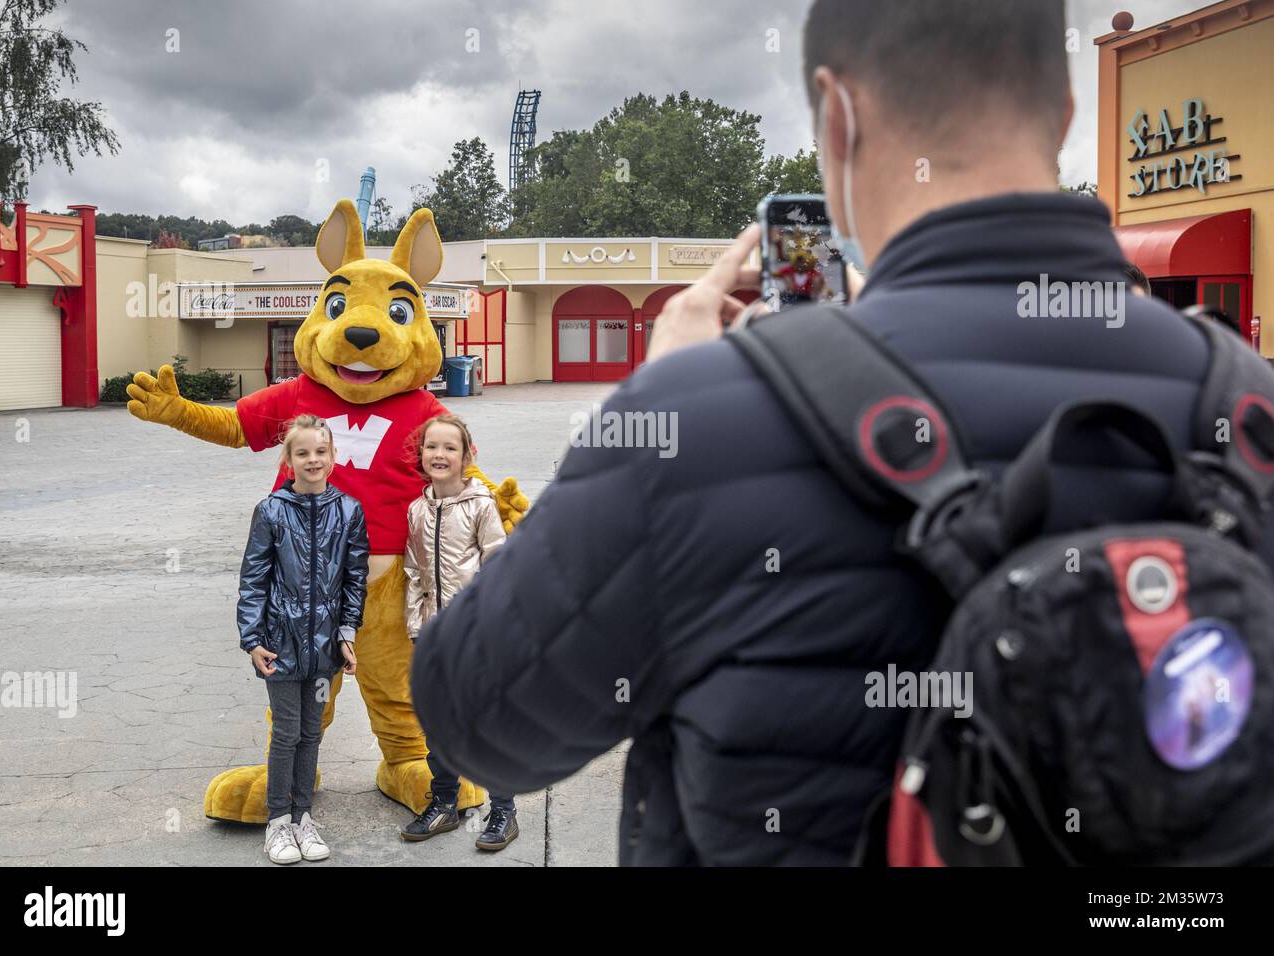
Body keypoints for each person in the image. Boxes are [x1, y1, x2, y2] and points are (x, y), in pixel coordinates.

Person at [412, 0, 1269, 865]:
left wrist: (652, 399)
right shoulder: (1247, 407)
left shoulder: (704, 417)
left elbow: (474, 723)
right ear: (1067, 111)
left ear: (837, 116)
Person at [238, 414, 367, 864]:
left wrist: (347, 632)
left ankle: (302, 818)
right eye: (303, 452)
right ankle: (278, 822)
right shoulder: (271, 511)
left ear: (333, 457)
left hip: (326, 646)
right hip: (280, 643)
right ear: (288, 459)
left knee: (312, 733)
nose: (313, 459)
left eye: (320, 451)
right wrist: (252, 639)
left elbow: (355, 579)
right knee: (286, 732)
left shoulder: (349, 510)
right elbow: (253, 579)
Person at [397, 414, 516, 851]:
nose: (440, 454)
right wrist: (417, 627)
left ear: (467, 456)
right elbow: (413, 573)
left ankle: (503, 809)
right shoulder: (417, 509)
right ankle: (444, 802)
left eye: (450, 447)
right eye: (432, 447)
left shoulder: (481, 505)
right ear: (421, 454)